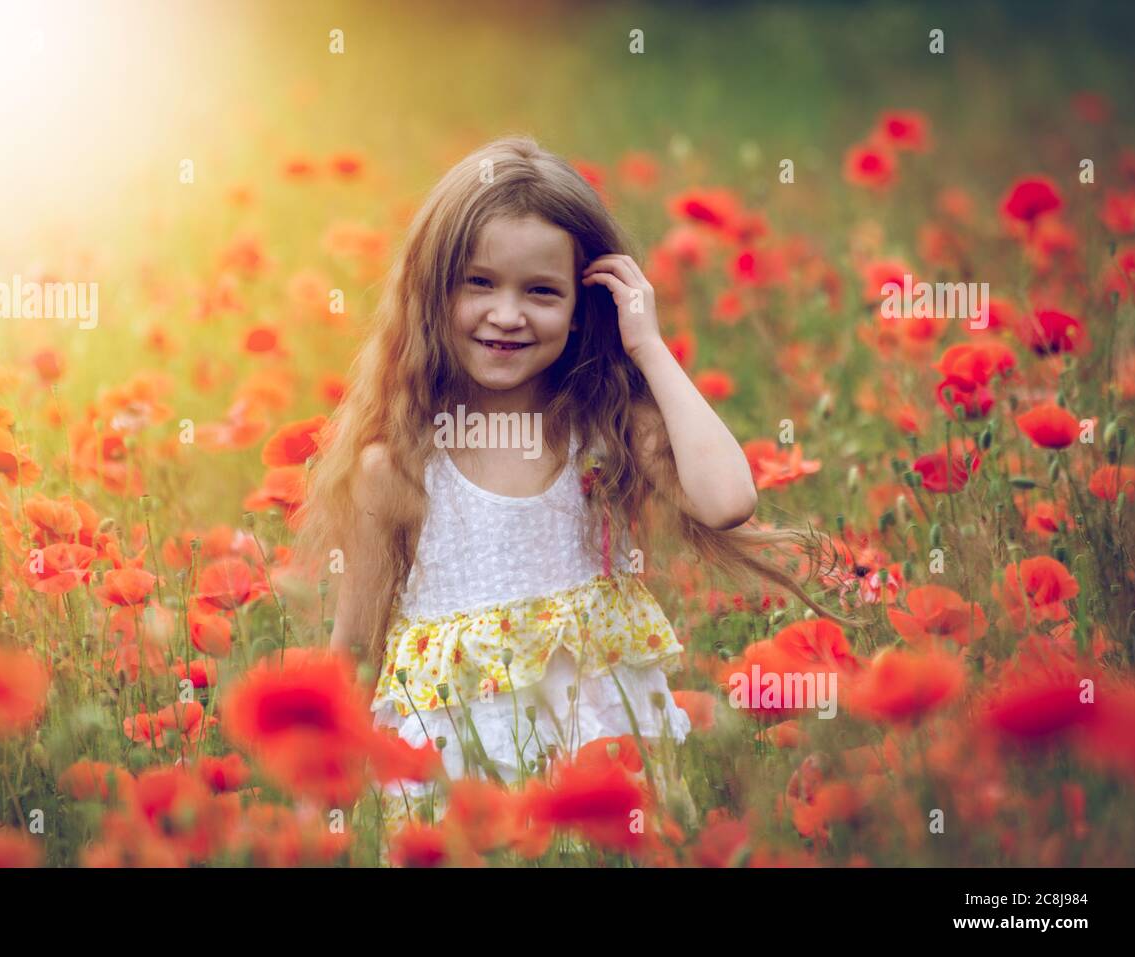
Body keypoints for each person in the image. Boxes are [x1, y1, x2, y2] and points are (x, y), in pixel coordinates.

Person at [297, 134, 835, 855]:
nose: (507, 314)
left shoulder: (605, 432)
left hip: (603, 773)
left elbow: (728, 498)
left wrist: (647, 344)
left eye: (541, 291)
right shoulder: (396, 466)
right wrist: (313, 807)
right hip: (463, 792)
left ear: (586, 305)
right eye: (478, 283)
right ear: (431, 293)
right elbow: (354, 646)